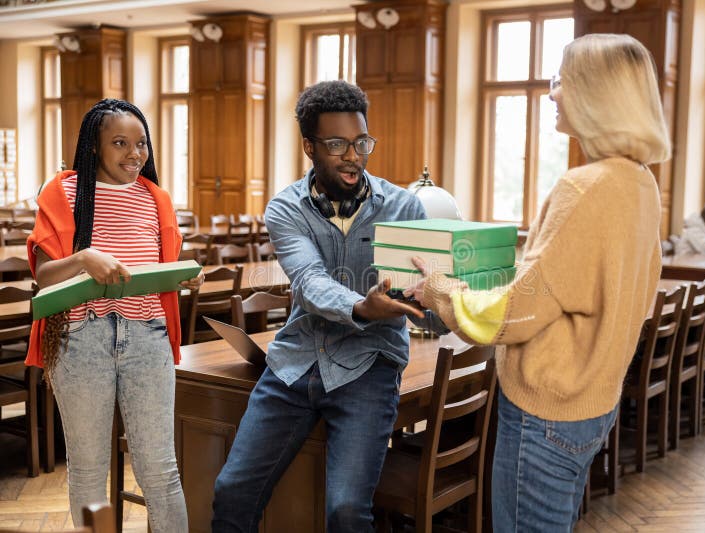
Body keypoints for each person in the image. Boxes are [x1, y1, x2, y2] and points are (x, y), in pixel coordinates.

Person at [405, 33, 670, 532]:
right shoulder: (640, 182)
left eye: (562, 80)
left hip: (547, 411)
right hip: (594, 402)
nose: (552, 93)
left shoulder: (584, 188)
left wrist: (441, 290)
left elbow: (514, 315)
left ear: (596, 93)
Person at [212, 80, 426, 532]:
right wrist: (362, 307)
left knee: (346, 511)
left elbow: (429, 294)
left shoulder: (405, 208)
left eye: (361, 142)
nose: (353, 156)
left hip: (370, 365)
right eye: (337, 145)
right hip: (294, 364)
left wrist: (443, 296)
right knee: (231, 491)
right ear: (310, 146)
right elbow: (309, 282)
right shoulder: (285, 209)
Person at [26, 98, 204, 532]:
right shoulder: (63, 192)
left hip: (148, 336)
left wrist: (184, 276)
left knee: (161, 469)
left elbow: (159, 270)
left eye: (141, 143)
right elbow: (44, 276)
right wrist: (83, 259)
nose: (134, 154)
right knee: (89, 471)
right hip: (80, 338)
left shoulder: (156, 198)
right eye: (120, 143)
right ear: (93, 146)